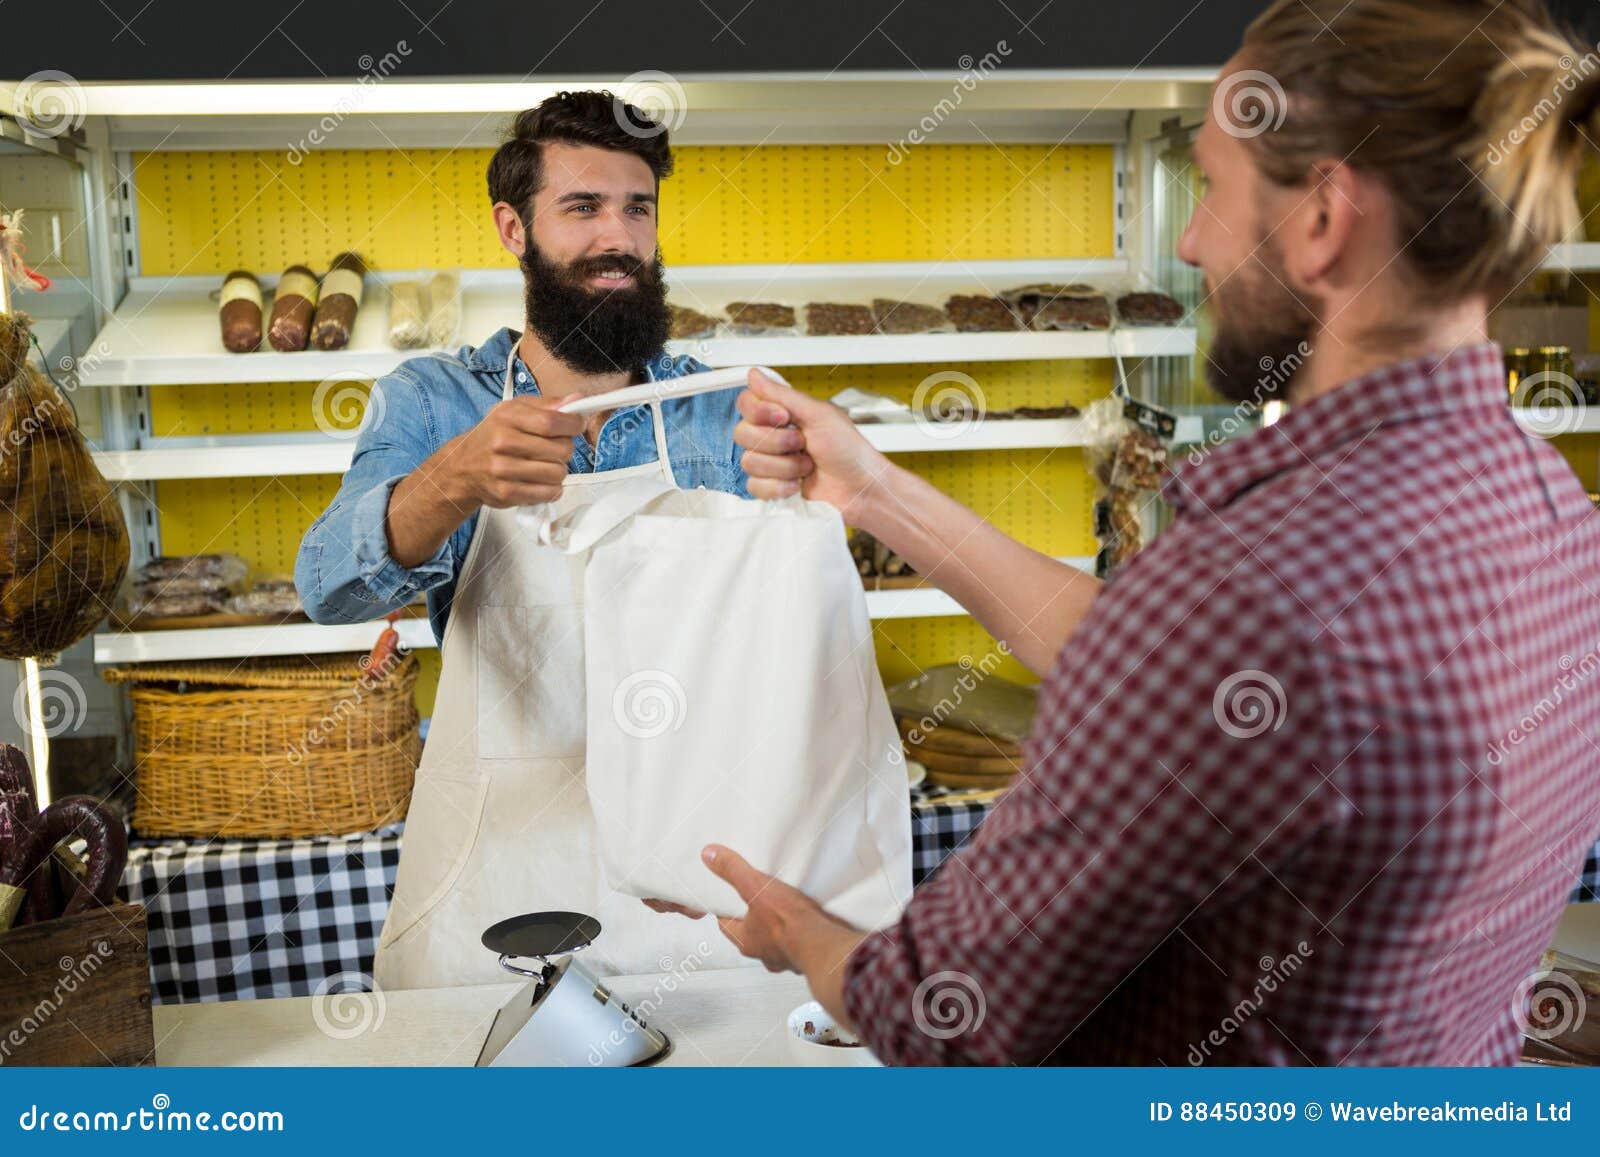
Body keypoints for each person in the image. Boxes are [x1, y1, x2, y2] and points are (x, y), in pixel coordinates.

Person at [689, 0, 1600, 1063]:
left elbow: (947, 1017)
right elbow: (1178, 681)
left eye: (1214, 187)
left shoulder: (1244, 592)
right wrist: (870, 488)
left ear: (1323, 220)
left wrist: (802, 930)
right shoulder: (1550, 514)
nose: (1189, 238)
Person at [295, 91, 756, 987]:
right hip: (500, 878)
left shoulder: (718, 405)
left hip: (690, 870)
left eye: (637, 207)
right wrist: (455, 475)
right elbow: (328, 588)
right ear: (514, 228)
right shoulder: (432, 399)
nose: (617, 236)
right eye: (582, 208)